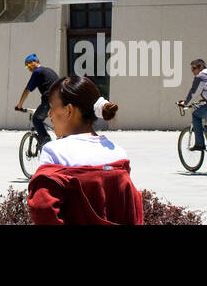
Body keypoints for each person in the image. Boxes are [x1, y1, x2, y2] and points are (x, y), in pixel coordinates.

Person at [27, 75, 143, 225]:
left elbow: (43, 209)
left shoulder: (54, 152)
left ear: (69, 110)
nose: (49, 114)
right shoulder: (118, 153)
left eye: (52, 106)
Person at [14, 54, 60, 148]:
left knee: (36, 119)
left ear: (37, 62)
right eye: (27, 66)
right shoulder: (49, 71)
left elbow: (27, 90)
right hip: (60, 101)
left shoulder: (37, 72)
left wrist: (19, 105)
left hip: (49, 101)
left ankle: (46, 140)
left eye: (30, 64)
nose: (29, 67)